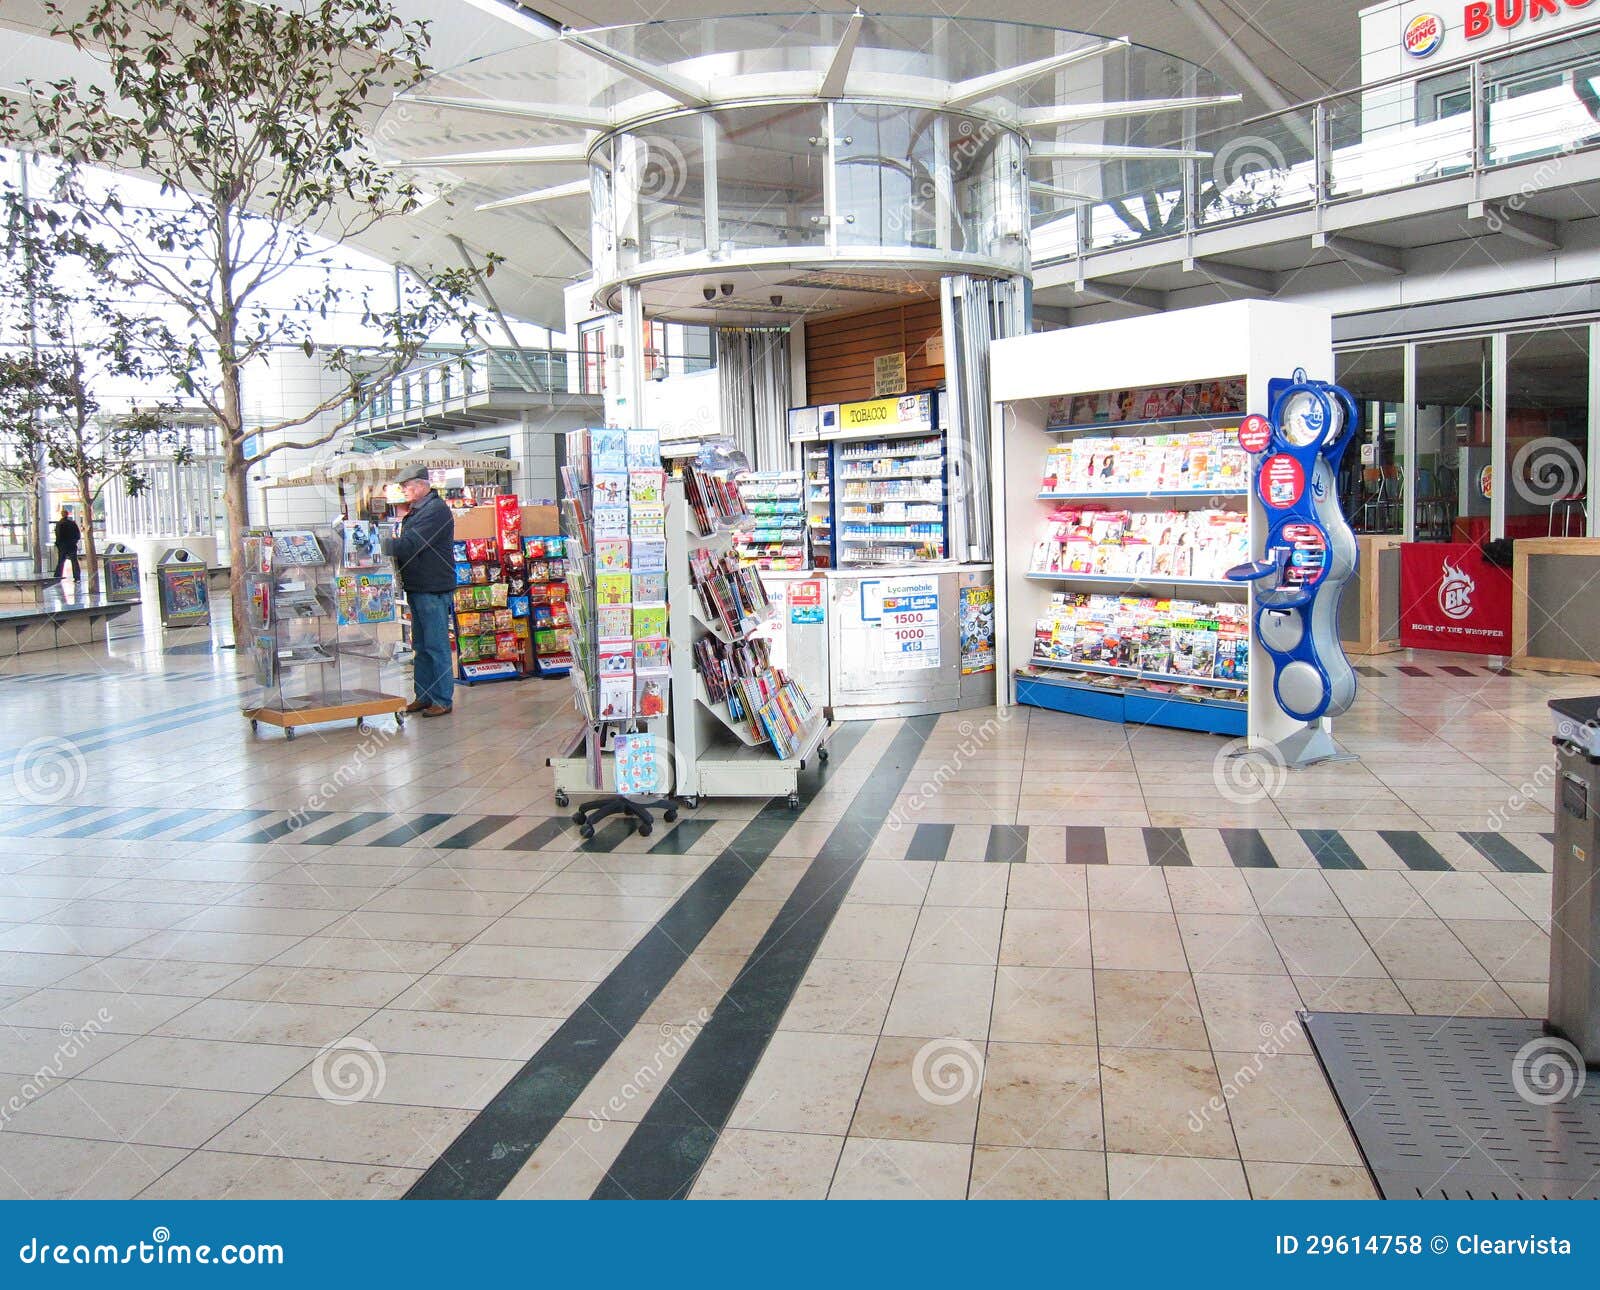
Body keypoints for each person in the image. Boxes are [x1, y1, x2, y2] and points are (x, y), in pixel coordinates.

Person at [390, 467, 455, 717]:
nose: (403, 490)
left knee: (436, 645)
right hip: (418, 585)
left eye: (405, 486)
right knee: (421, 644)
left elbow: (412, 544)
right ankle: (424, 694)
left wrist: (380, 544)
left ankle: (442, 698)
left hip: (432, 586)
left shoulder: (435, 511)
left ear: (420, 485)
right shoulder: (418, 510)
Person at [53, 508, 82, 582]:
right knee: (74, 561)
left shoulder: (59, 524)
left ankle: (57, 577)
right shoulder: (72, 523)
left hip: (62, 546)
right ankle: (77, 577)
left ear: (62, 515)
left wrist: (59, 545)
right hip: (72, 545)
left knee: (61, 562)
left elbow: (58, 536)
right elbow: (78, 535)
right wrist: (74, 542)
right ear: (67, 514)